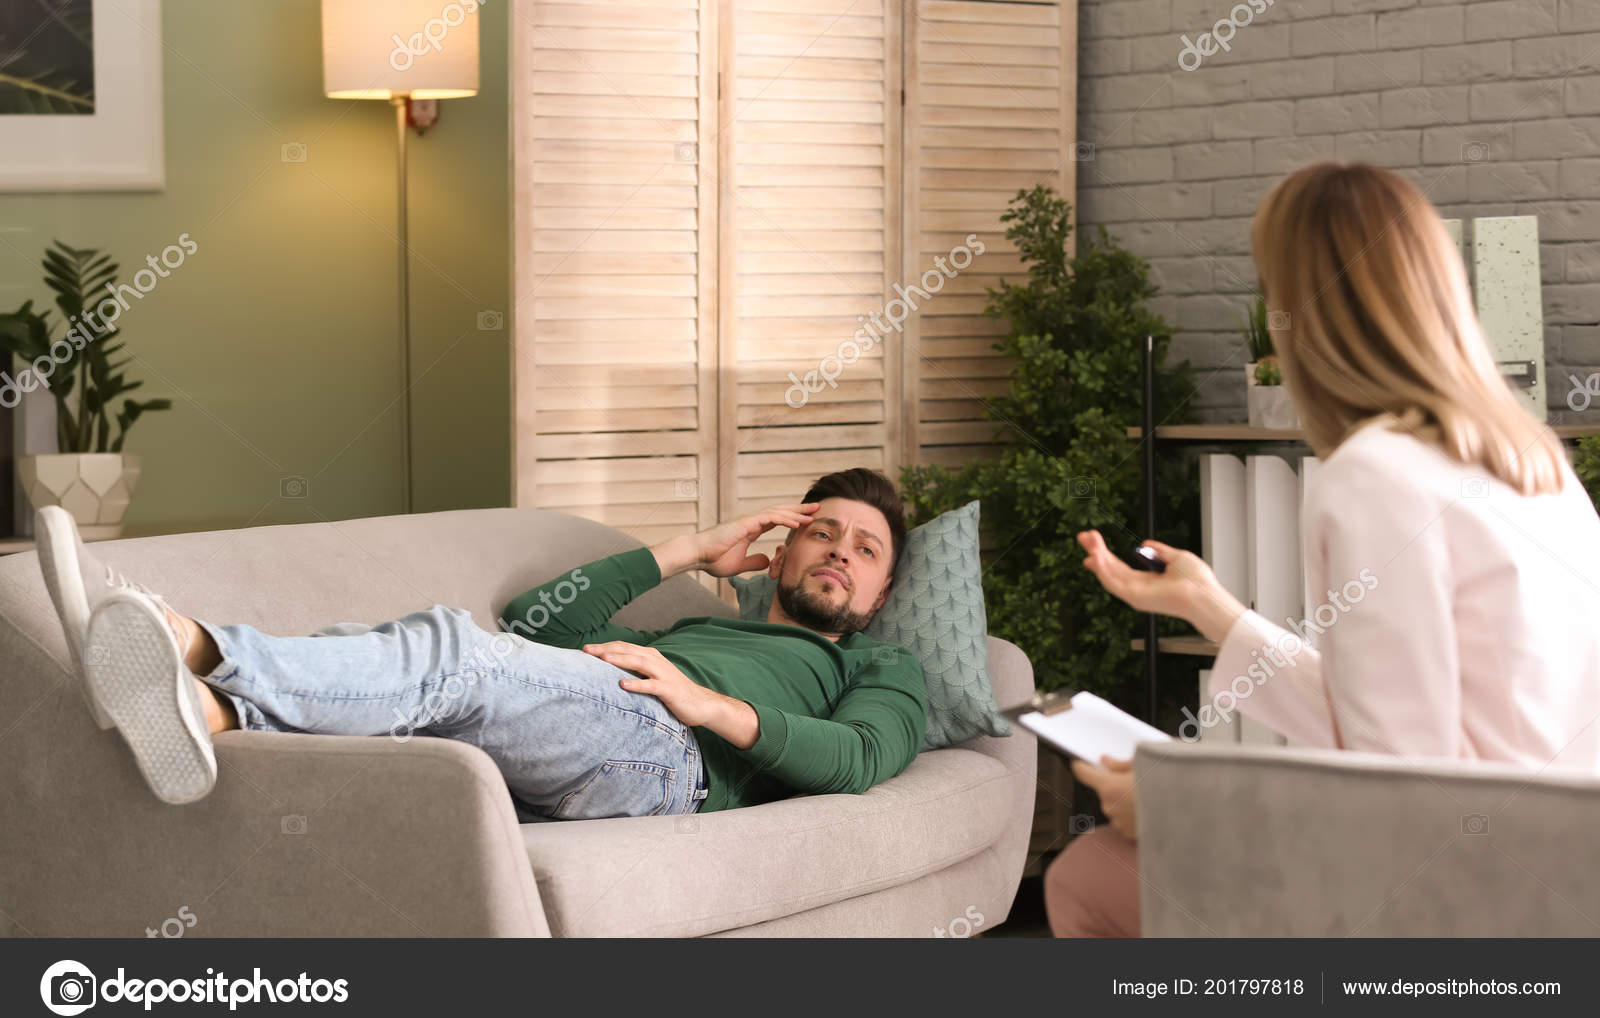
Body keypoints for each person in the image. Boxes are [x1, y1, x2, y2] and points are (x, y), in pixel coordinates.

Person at [1043, 161, 1600, 937]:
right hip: (1563, 873)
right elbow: (1408, 732)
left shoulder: (1372, 473)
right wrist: (1213, 608)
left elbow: (1396, 790)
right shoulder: (1534, 463)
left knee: (1088, 875)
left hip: (1471, 899)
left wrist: (1177, 801)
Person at [36, 467, 927, 821]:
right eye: (823, 531)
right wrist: (692, 550)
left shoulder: (878, 666)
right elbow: (545, 620)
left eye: (866, 548)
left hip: (674, 757)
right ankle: (208, 708)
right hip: (615, 716)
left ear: (883, 590)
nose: (840, 551)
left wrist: (701, 704)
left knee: (462, 652)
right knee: (409, 681)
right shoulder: (701, 626)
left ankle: (184, 637)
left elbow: (858, 758)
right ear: (785, 550)